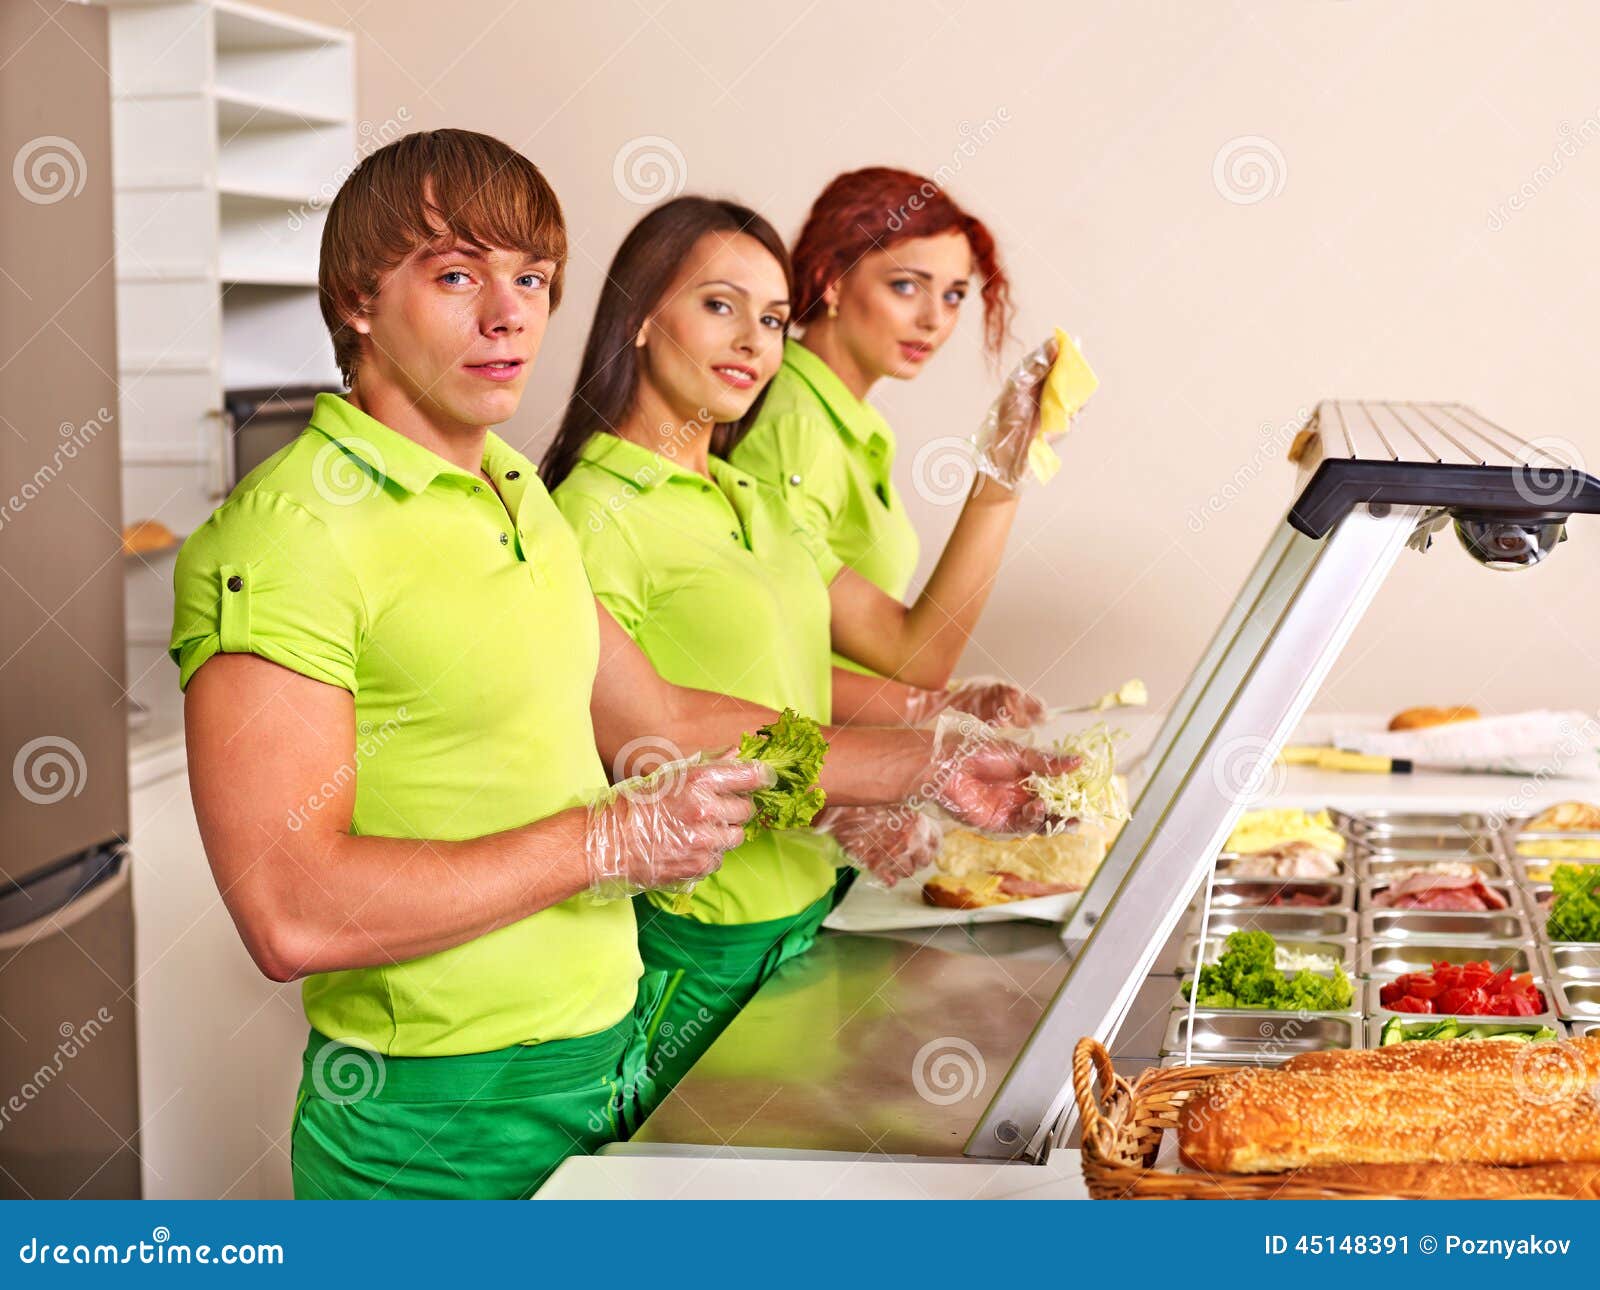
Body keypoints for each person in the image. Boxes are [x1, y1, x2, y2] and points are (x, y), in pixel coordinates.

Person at [171, 131, 1074, 1199]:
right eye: (457, 274)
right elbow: (291, 909)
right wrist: (603, 840)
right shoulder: (283, 539)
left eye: (532, 279)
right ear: (357, 300)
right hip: (438, 1117)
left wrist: (921, 763)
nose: (508, 315)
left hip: (603, 1064)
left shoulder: (514, 493)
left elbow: (660, 714)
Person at [540, 196, 1070, 1109]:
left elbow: (893, 653)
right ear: (637, 318)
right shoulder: (592, 513)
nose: (753, 339)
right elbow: (627, 733)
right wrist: (893, 770)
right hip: (699, 938)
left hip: (807, 910)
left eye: (774, 319)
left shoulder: (752, 498)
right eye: (719, 305)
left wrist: (997, 484)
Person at [728, 166, 1064, 728]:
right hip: (792, 777)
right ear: (831, 278)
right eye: (906, 286)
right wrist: (998, 486)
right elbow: (906, 656)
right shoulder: (796, 428)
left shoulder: (847, 422)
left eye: (955, 295)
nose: (934, 319)